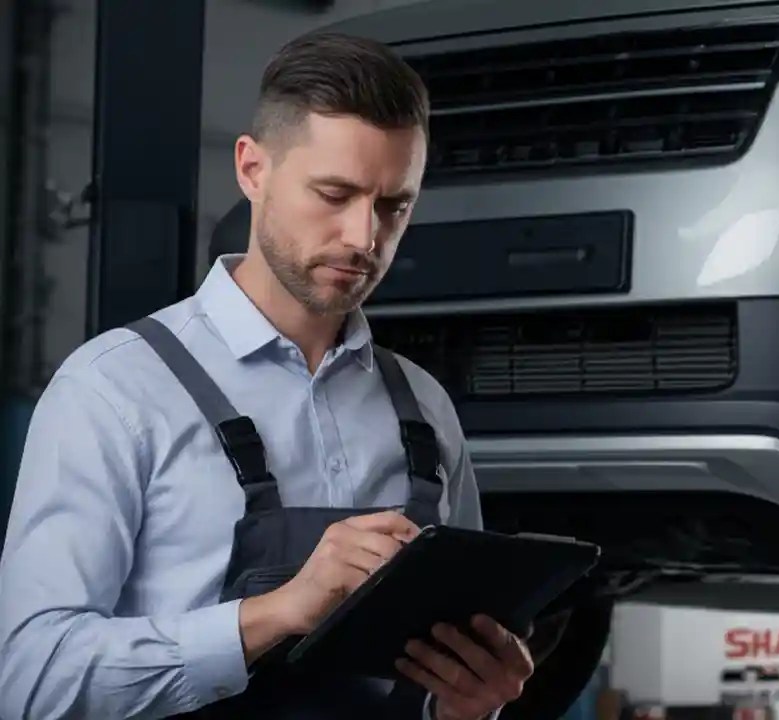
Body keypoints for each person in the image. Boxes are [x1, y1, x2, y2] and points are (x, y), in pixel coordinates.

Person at [0, 31, 534, 720]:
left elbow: (428, 689)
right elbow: (28, 681)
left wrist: (468, 706)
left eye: (393, 205)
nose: (363, 238)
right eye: (333, 194)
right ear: (252, 170)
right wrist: (276, 613)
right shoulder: (115, 390)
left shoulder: (425, 411)